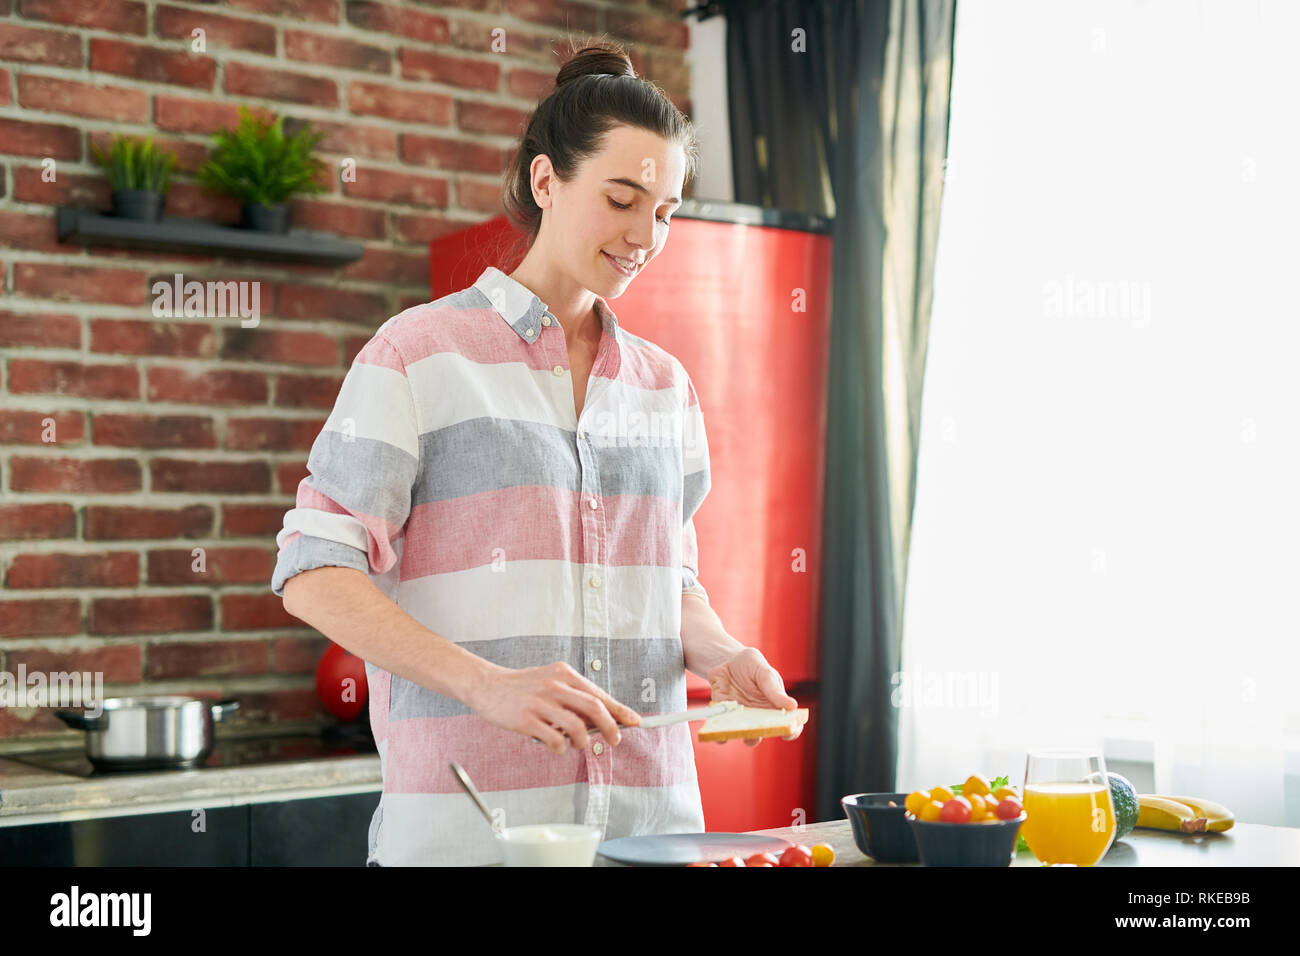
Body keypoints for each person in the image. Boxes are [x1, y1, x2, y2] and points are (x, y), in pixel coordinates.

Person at [271, 40, 802, 866]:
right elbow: (312, 569)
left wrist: (724, 654)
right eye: (622, 199)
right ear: (546, 181)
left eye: (663, 212)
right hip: (466, 840)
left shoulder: (666, 388)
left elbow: (671, 583)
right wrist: (487, 683)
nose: (643, 236)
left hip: (648, 834)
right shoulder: (418, 355)